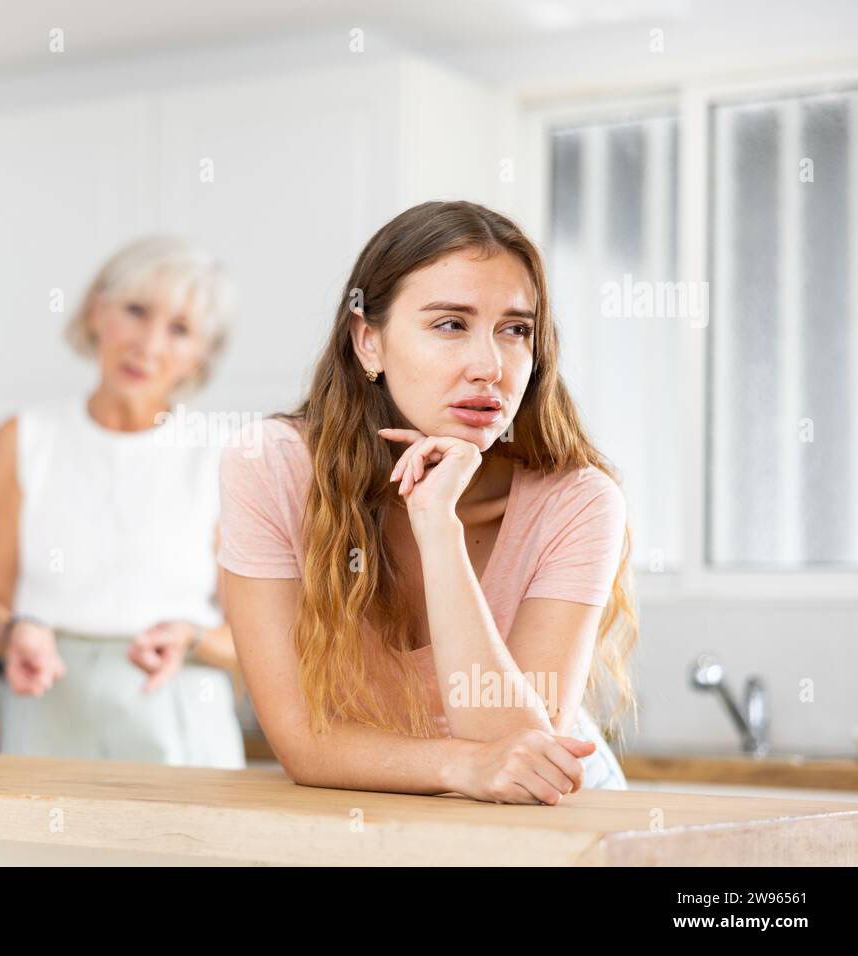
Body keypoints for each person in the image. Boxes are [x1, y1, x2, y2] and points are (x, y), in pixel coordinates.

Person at [218, 200, 637, 804]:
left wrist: (437, 527)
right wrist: (459, 768)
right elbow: (304, 741)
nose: (490, 366)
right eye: (450, 324)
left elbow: (520, 758)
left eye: (516, 329)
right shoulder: (271, 465)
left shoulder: (579, 502)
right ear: (368, 342)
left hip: (550, 809)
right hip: (408, 802)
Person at [0, 236, 245, 768]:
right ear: (97, 311)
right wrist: (15, 632)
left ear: (201, 356)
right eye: (136, 311)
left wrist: (190, 639)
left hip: (183, 725)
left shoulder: (222, 455)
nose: (149, 344)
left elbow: (251, 644)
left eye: (180, 329)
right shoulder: (23, 439)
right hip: (47, 716)